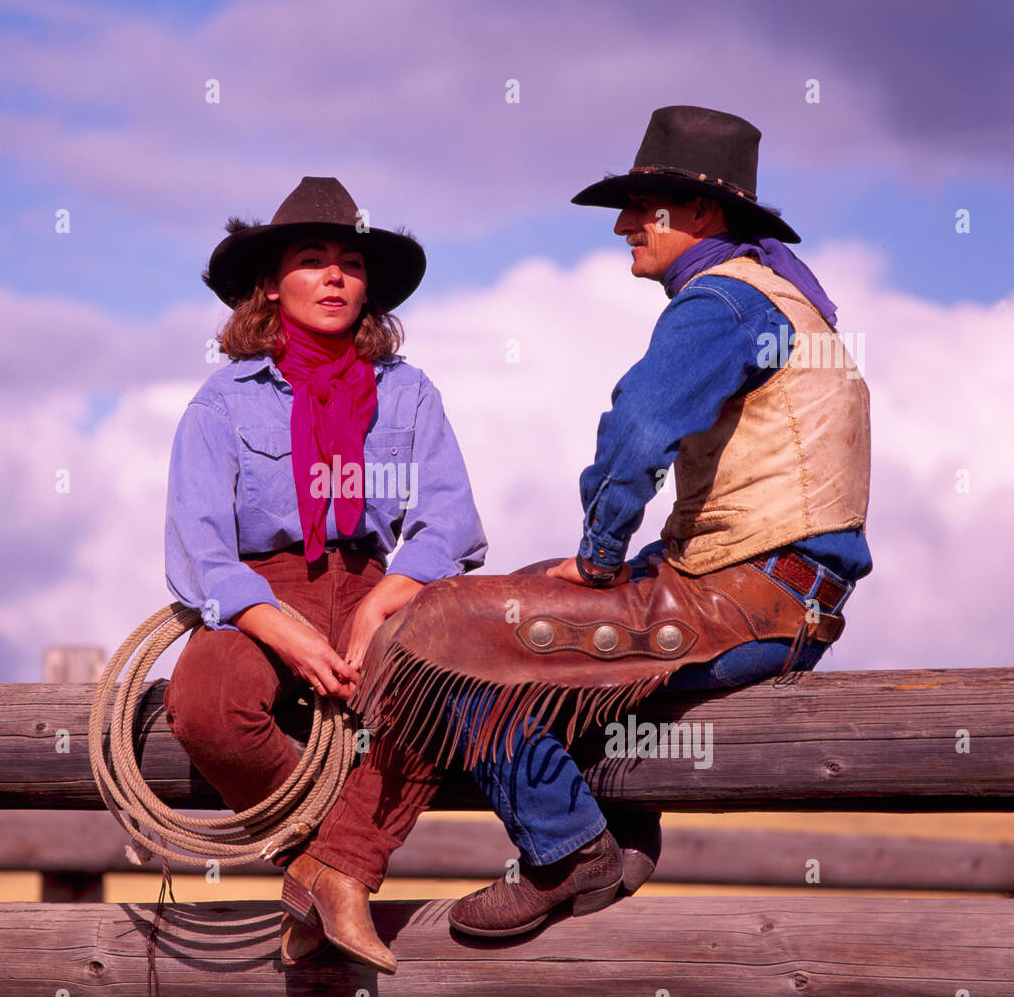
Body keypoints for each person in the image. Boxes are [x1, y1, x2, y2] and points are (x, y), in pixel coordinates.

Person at [347, 105, 872, 938]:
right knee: (513, 601)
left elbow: (637, 428)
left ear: (700, 214)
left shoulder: (722, 303)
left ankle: (566, 849)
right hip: (775, 594)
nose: (625, 224)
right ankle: (615, 820)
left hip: (742, 600)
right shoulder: (782, 300)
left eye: (644, 205)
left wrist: (598, 557)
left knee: (444, 626)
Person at [162, 176, 487, 972]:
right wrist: (281, 628)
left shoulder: (409, 394)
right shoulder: (222, 402)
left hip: (384, 581)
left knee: (437, 686)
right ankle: (326, 862)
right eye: (312, 261)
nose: (335, 276)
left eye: (350, 263)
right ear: (270, 286)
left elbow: (450, 520)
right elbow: (198, 550)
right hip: (263, 589)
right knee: (205, 705)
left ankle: (333, 872)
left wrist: (385, 597)